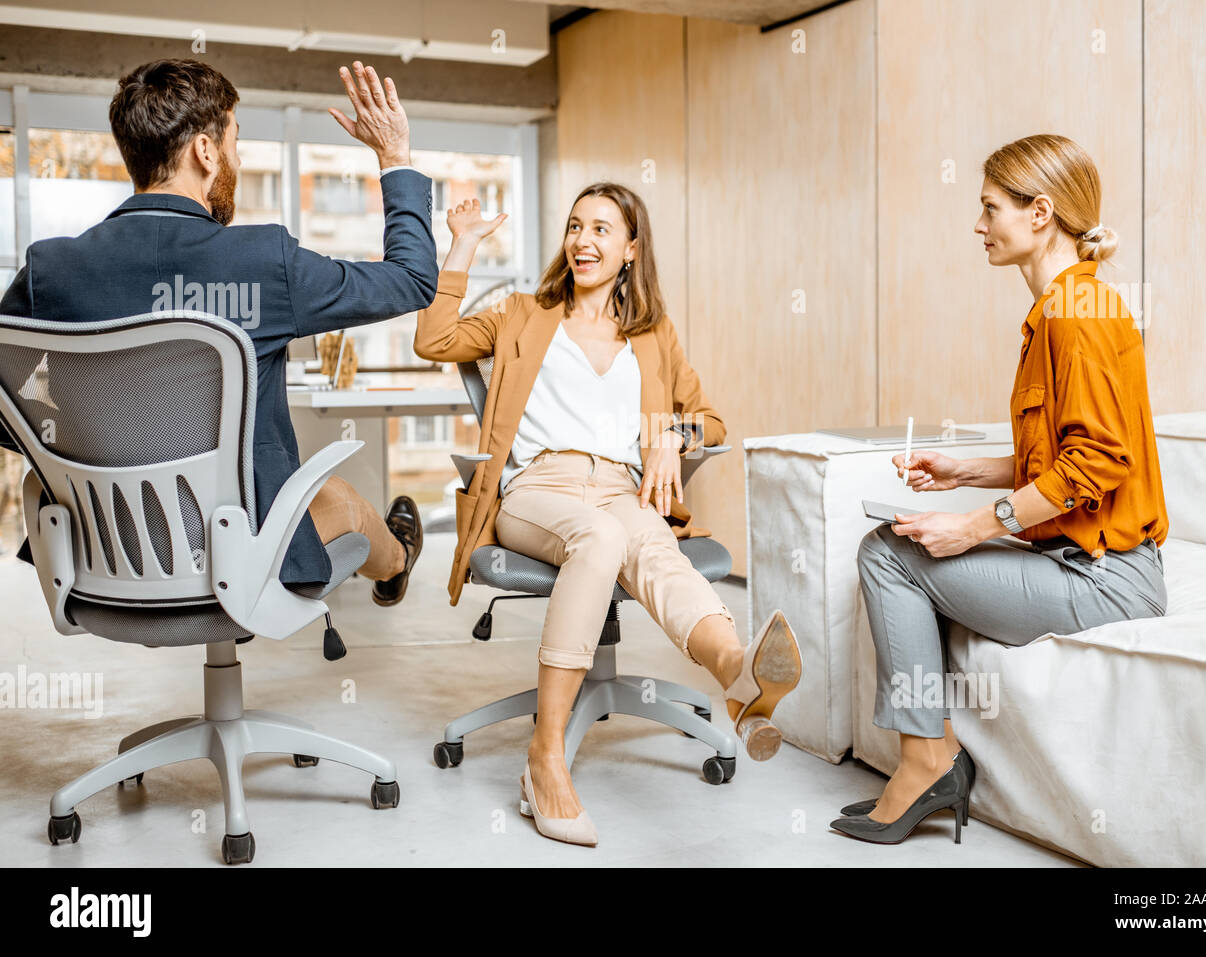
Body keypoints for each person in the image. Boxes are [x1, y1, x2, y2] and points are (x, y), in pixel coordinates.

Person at [414, 182, 803, 847]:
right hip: (539, 488)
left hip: (623, 488)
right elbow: (434, 338)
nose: (583, 240)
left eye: (601, 229)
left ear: (630, 249)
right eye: (574, 226)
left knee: (658, 554)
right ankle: (545, 758)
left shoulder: (652, 334)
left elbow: (708, 420)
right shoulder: (522, 313)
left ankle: (737, 674)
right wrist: (463, 248)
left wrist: (668, 436)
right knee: (600, 537)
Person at [832, 134, 1169, 846]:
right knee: (894, 545)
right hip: (1089, 563)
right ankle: (926, 757)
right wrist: (965, 472)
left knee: (887, 555)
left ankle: (927, 759)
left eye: (990, 209)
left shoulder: (1075, 315)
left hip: (1107, 579)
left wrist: (975, 525)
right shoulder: (1069, 306)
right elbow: (1060, 456)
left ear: (1040, 212)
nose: (979, 226)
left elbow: (1095, 467)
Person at [0, 58, 433, 605]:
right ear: (206, 151)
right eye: (235, 141)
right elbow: (412, 280)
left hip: (100, 556)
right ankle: (396, 561)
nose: (237, 157)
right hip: (241, 560)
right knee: (339, 497)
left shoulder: (51, 273)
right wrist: (394, 157)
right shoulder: (261, 261)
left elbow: (10, 403)